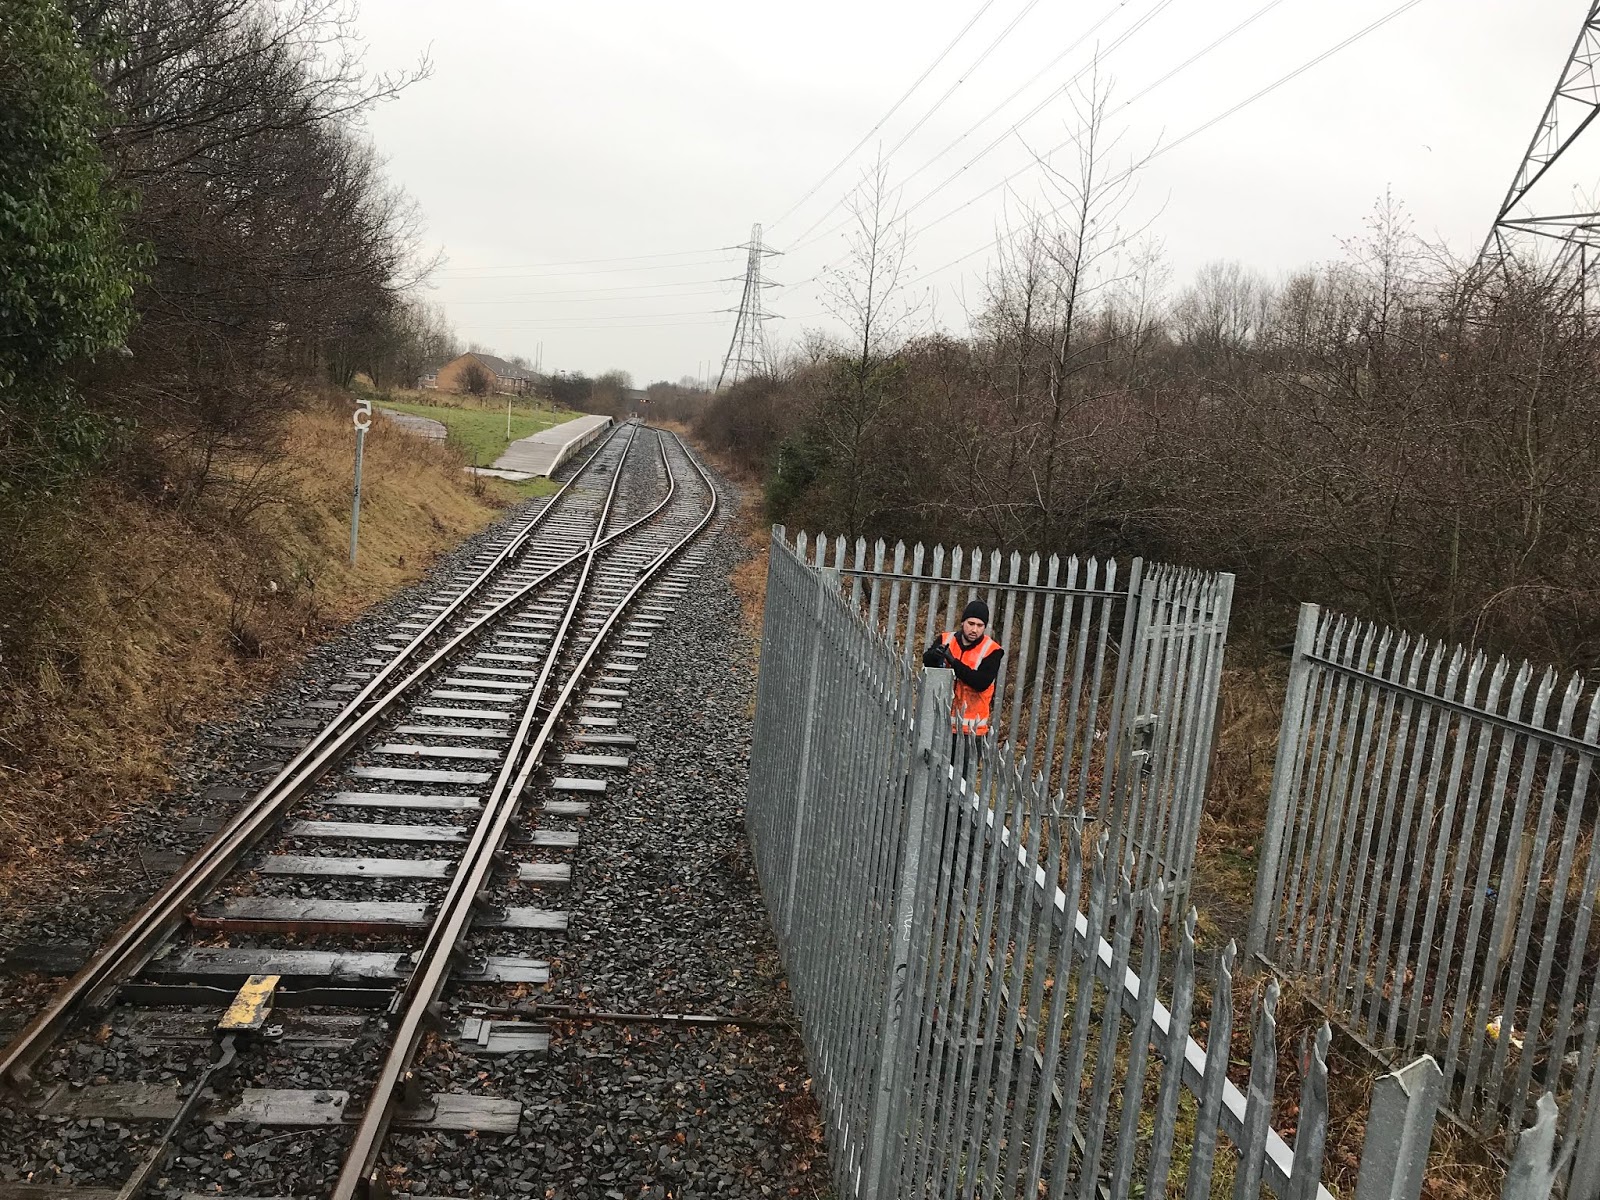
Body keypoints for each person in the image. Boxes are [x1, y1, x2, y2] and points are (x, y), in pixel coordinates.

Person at [921, 599, 1004, 777]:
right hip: (940, 724)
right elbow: (927, 662)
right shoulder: (945, 639)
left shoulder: (992, 650)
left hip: (971, 732)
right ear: (962, 622)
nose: (974, 629)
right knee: (932, 775)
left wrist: (953, 662)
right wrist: (934, 655)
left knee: (961, 782)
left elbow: (981, 682)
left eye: (980, 625)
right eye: (971, 623)